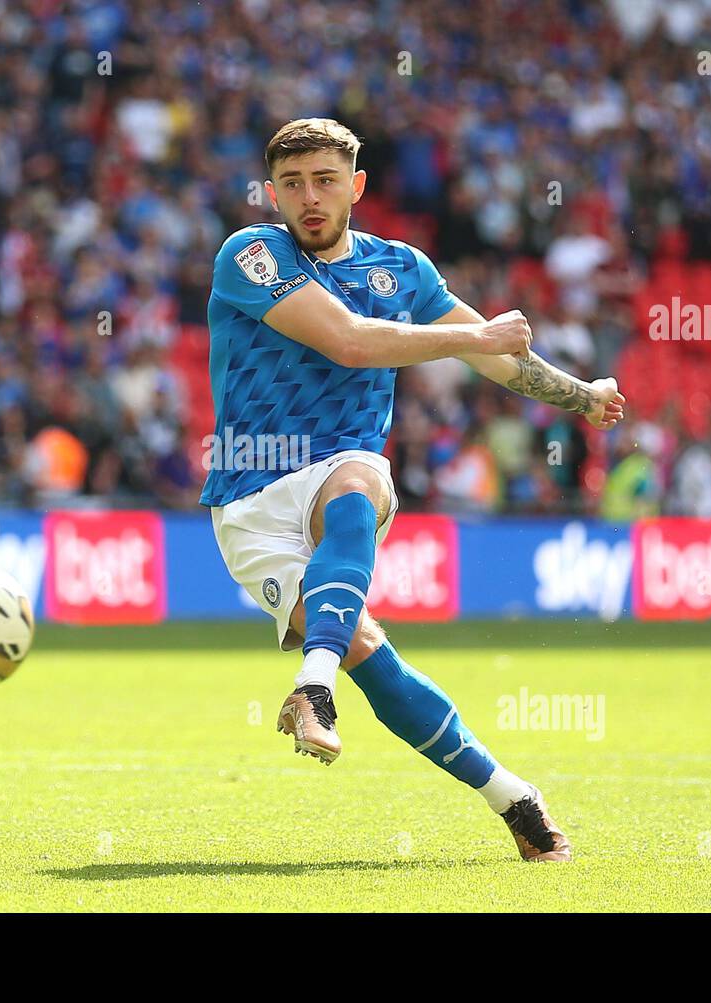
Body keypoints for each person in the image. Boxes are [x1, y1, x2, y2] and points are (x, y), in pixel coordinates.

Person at [202, 119, 626, 863]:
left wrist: (581, 395)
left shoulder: (401, 268)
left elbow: (501, 359)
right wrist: (473, 339)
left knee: (360, 477)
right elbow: (352, 341)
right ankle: (504, 787)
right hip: (249, 494)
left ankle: (331, 696)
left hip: (339, 471)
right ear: (271, 192)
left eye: (326, 180)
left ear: (357, 186)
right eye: (292, 183)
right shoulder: (252, 253)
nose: (309, 197)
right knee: (371, 652)